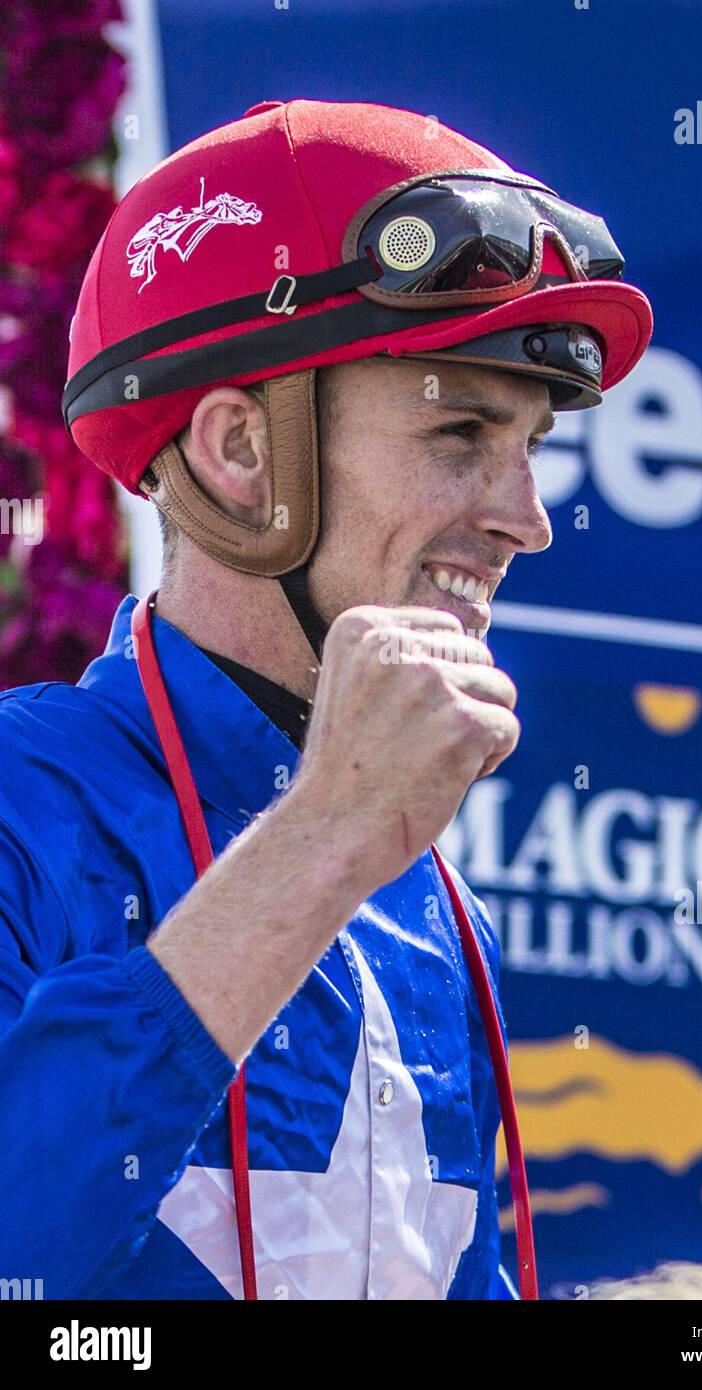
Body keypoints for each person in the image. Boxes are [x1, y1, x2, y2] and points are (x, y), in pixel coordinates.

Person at [0, 99, 652, 1300]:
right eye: (459, 431)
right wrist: (315, 845)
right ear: (241, 452)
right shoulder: (23, 801)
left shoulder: (436, 907)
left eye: (532, 449)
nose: (526, 521)